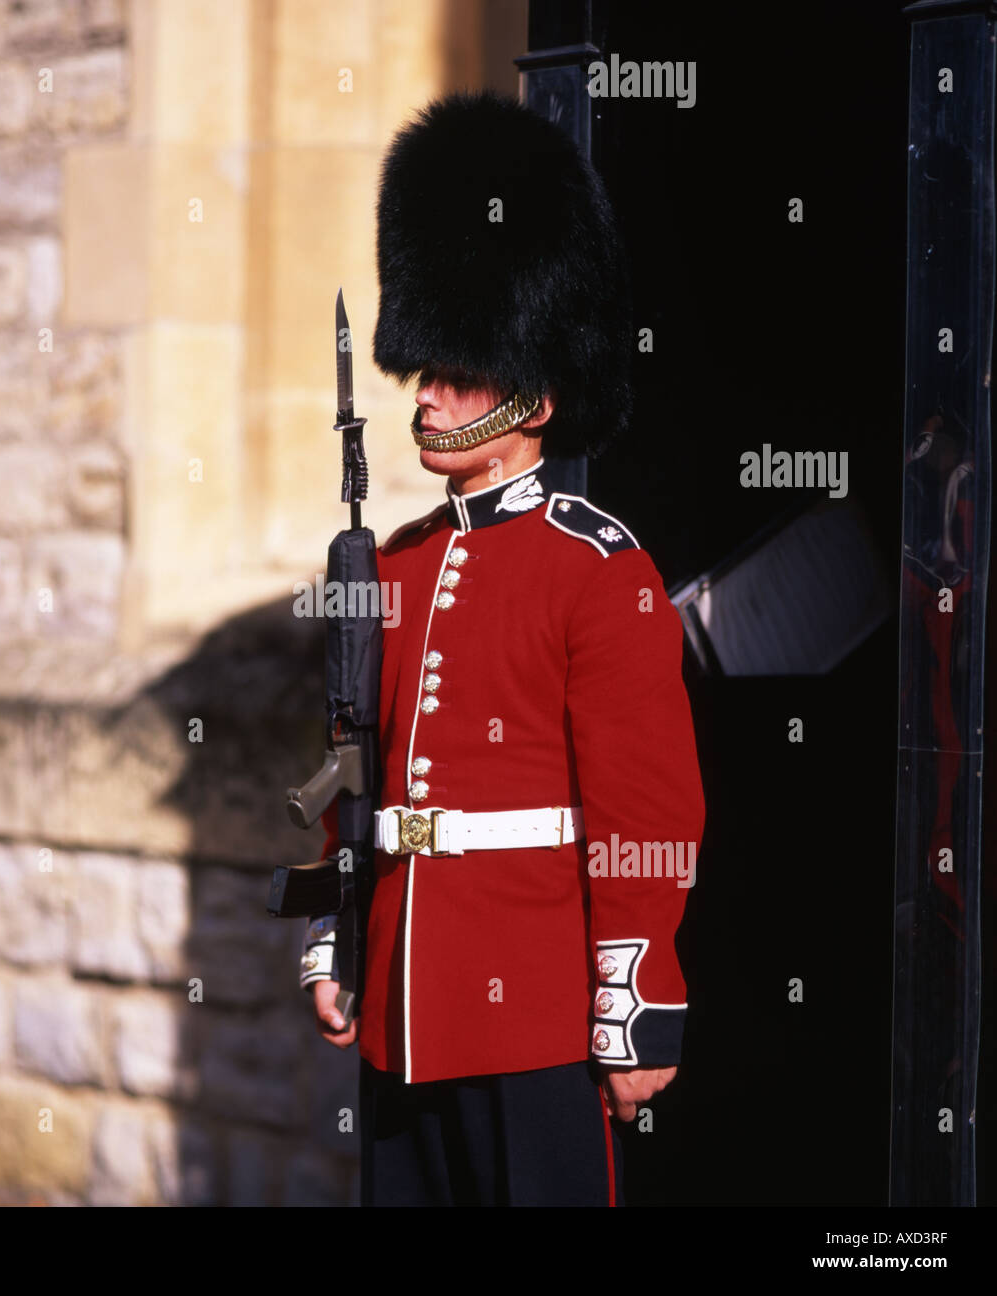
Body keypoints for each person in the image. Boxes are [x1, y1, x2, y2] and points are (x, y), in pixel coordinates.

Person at [297, 90, 705, 1207]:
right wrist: (336, 929)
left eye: (458, 370)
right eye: (426, 367)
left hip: (532, 1017)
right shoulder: (394, 564)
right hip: (401, 1012)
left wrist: (632, 1002)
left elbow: (645, 808)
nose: (428, 397)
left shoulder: (595, 567)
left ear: (529, 390)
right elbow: (352, 766)